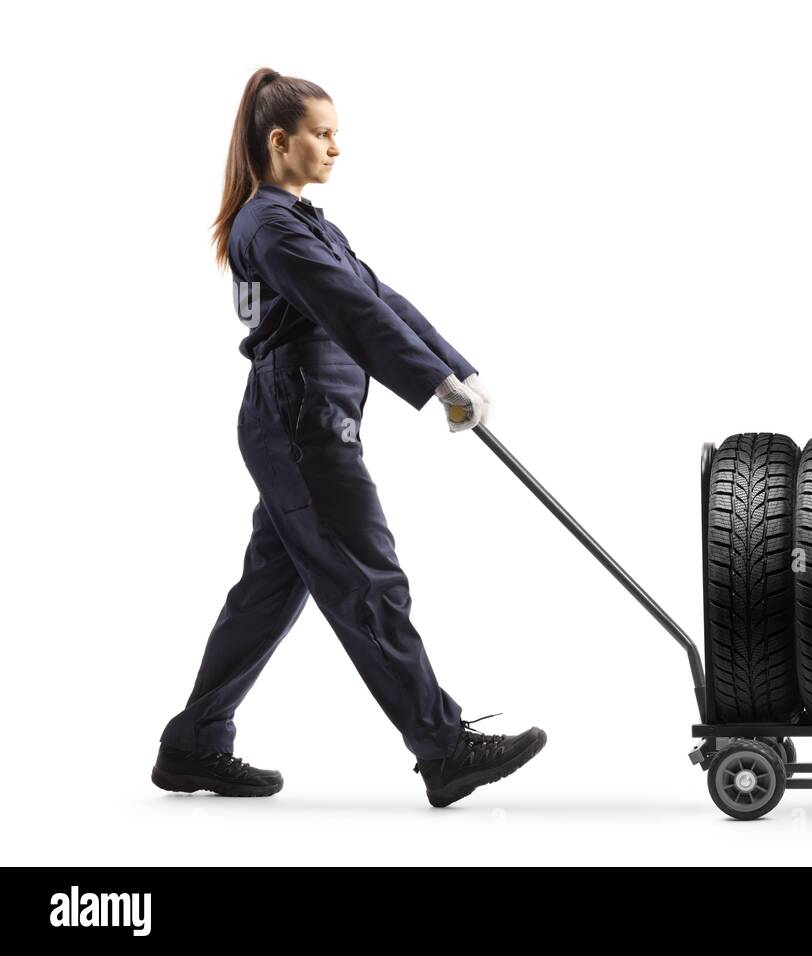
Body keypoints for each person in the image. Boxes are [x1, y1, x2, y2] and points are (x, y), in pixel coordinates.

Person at [152, 68, 545, 808]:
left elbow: (378, 295)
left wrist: (457, 371)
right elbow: (346, 312)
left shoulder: (305, 221)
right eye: (323, 134)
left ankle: (193, 744)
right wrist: (433, 387)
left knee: (270, 590)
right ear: (280, 140)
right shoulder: (269, 226)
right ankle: (444, 747)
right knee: (368, 580)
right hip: (301, 428)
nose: (337, 148)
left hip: (304, 424)